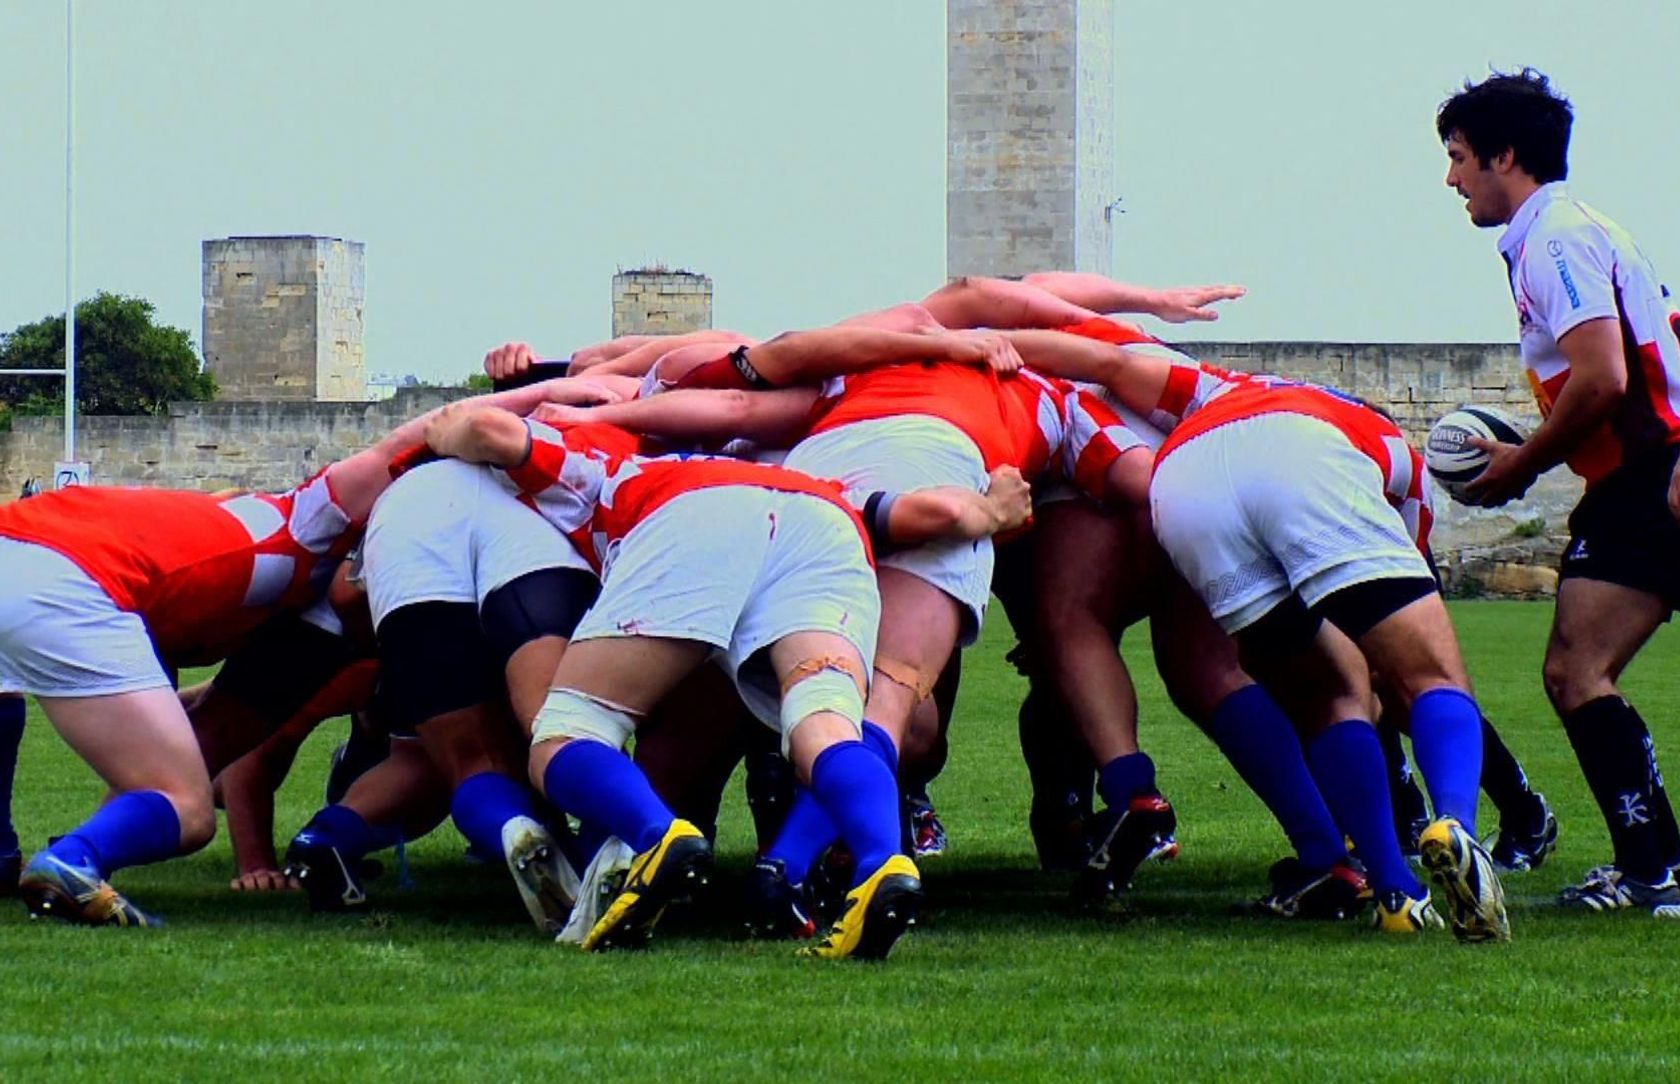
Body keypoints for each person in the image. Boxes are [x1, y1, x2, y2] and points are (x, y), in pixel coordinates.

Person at [1439, 69, 1680, 916]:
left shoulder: (1557, 239)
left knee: (1577, 670)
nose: (1452, 179)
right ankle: (1655, 867)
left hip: (1648, 478)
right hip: (1640, 476)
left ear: (1507, 156)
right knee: (1578, 669)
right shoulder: (1575, 233)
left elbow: (1606, 375)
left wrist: (1522, 464)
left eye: (1460, 157)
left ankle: (1655, 872)